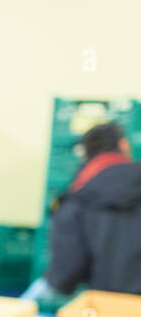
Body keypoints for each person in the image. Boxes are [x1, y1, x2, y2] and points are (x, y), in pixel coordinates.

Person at [41, 120, 141, 296]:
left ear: (85, 154)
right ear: (123, 145)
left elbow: (65, 273)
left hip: (110, 308)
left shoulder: (78, 199)